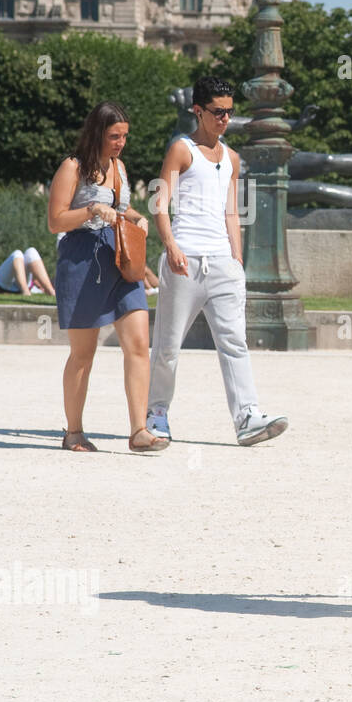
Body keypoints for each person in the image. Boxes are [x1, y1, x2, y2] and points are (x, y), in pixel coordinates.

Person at [146, 75, 288, 446]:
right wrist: (171, 246)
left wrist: (236, 258)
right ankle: (156, 414)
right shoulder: (181, 149)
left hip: (223, 264)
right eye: (217, 112)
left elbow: (231, 214)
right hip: (185, 260)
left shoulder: (233, 159)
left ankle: (246, 417)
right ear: (198, 111)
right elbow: (160, 203)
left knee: (234, 342)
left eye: (229, 112)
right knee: (168, 345)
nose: (225, 119)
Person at [46, 101, 167, 453]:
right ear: (97, 133)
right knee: (83, 354)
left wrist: (136, 216)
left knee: (139, 344)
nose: (121, 143)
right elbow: (55, 221)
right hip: (82, 262)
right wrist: (90, 210)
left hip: (119, 260)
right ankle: (74, 432)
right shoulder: (73, 167)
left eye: (125, 136)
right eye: (115, 136)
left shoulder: (119, 166)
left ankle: (139, 431)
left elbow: (120, 206)